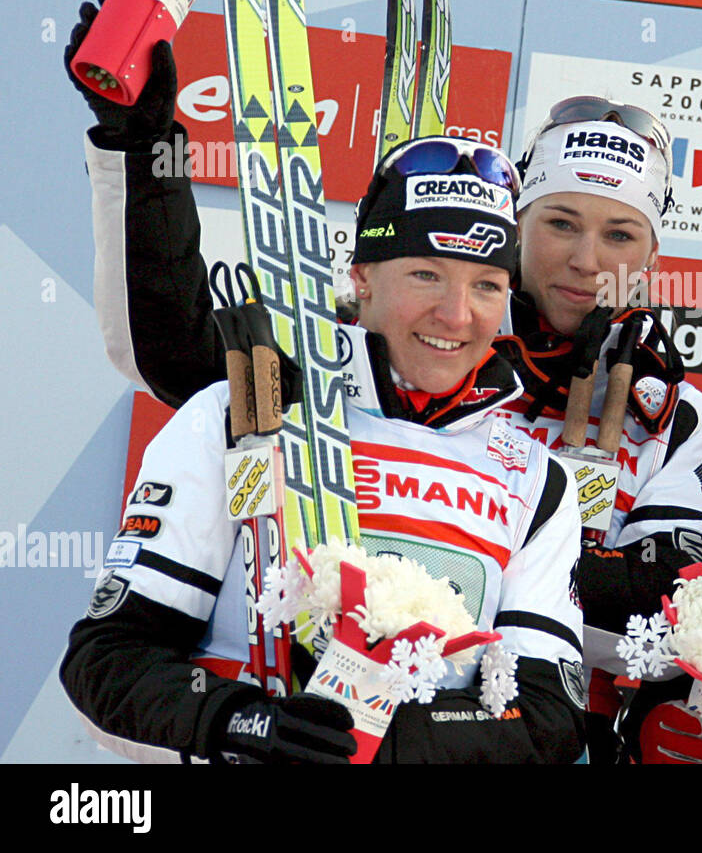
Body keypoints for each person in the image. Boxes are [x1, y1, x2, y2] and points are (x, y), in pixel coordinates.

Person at [65, 0, 702, 761]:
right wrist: (143, 144)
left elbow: (658, 611)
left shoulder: (662, 417)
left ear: (653, 256)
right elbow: (177, 351)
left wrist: (389, 733)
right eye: (558, 223)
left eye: (619, 233)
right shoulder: (302, 382)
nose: (585, 259)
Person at [61, 137, 586, 763]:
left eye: (486, 285)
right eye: (426, 274)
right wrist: (242, 723)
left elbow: (547, 717)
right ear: (361, 278)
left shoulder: (535, 480)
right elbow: (111, 660)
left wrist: (378, 745)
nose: (457, 313)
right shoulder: (245, 416)